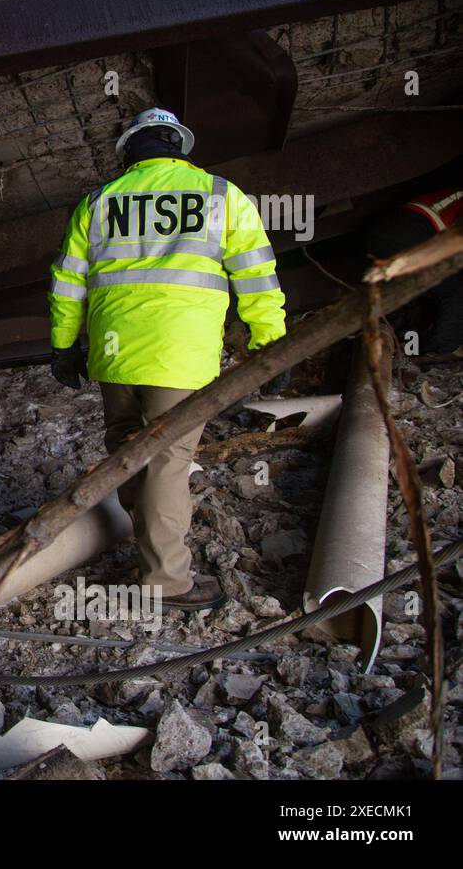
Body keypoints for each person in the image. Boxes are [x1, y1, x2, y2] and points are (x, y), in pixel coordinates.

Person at [47, 108, 287, 611]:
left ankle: (147, 540)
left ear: (128, 152)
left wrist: (64, 346)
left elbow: (67, 284)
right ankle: (165, 582)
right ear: (179, 146)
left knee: (127, 450)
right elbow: (257, 276)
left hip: (114, 353)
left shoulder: (99, 201)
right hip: (181, 355)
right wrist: (270, 343)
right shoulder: (221, 196)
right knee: (167, 462)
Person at [368, 187, 463, 355]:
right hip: (410, 235)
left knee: (415, 295)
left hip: (385, 235)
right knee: (455, 293)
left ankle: (402, 341)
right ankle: (437, 353)